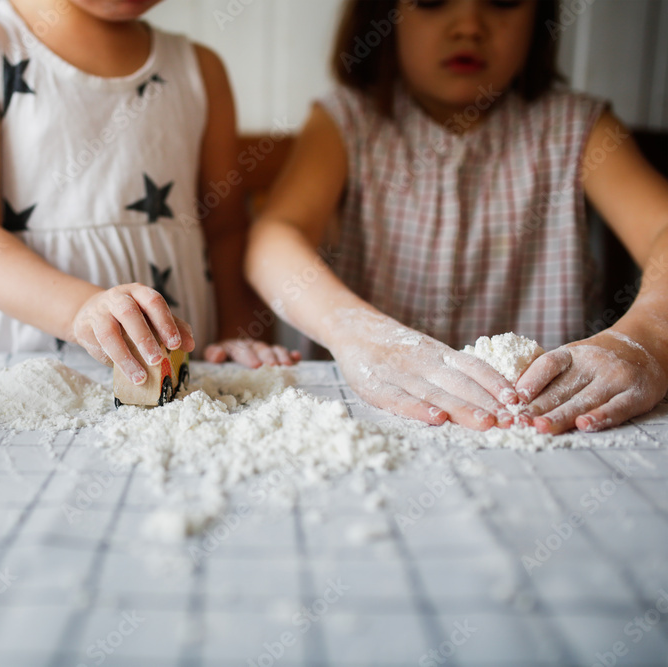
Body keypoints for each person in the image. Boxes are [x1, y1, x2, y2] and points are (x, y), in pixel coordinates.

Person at [245, 0, 668, 434]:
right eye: (432, 0)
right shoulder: (346, 123)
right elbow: (274, 238)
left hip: (543, 426)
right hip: (377, 429)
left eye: (502, 0)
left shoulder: (579, 127)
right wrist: (357, 333)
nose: (468, 25)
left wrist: (647, 337)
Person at [0, 0, 299, 388]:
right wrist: (80, 309)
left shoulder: (199, 68)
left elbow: (225, 228)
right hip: (15, 357)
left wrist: (238, 335)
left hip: (170, 360)